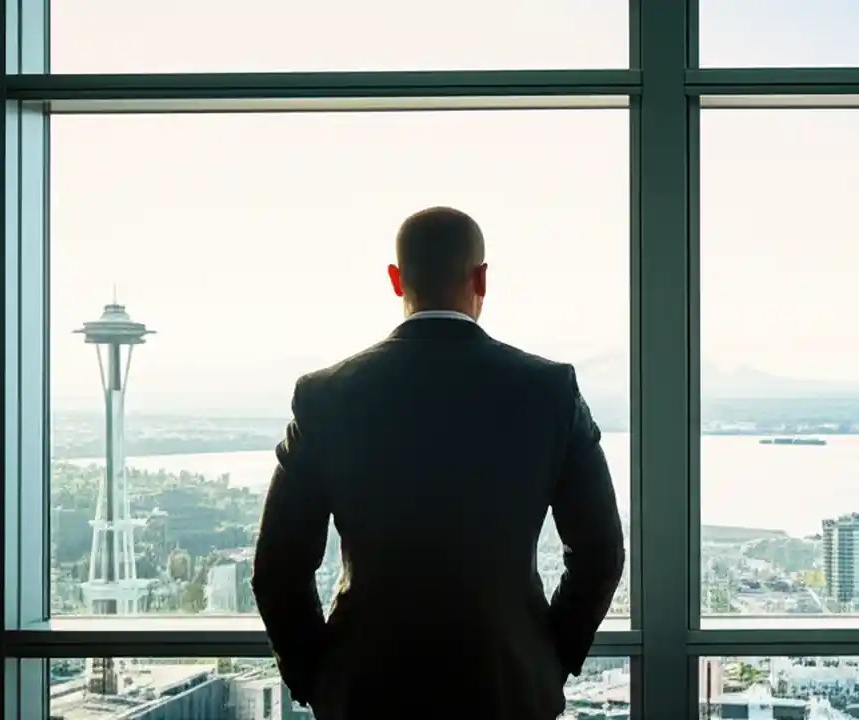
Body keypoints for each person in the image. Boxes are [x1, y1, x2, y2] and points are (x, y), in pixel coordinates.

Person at [251, 207, 625, 719]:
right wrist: (544, 658)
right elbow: (600, 551)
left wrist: (319, 676)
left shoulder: (326, 396)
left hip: (367, 692)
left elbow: (279, 567)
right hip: (507, 688)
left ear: (395, 280)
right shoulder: (548, 392)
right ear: (482, 279)